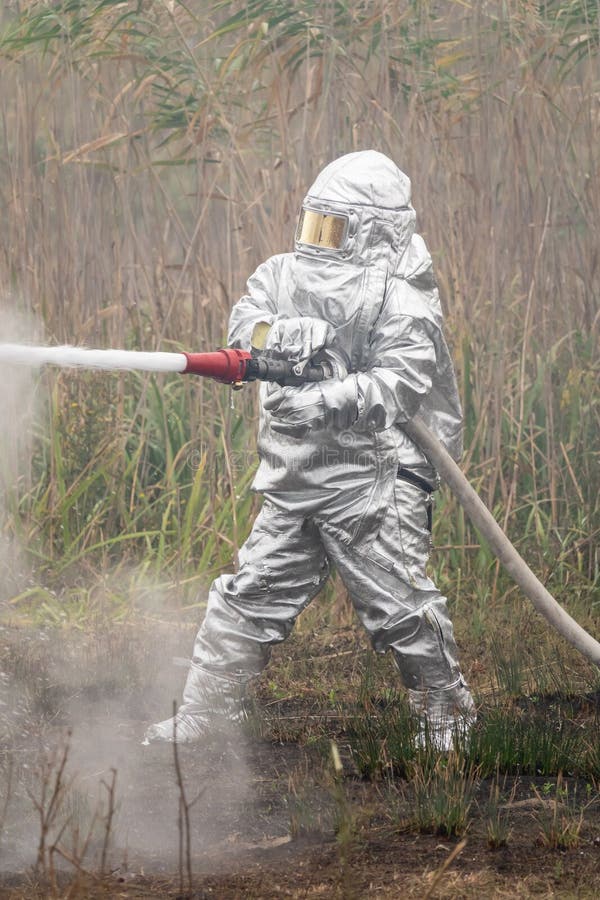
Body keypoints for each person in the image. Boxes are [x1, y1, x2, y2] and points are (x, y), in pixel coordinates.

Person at [144, 149, 475, 750]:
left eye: (334, 226)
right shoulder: (281, 275)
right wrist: (278, 336)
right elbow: (245, 326)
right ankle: (206, 713)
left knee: (400, 602)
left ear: (372, 230)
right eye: (313, 223)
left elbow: (399, 383)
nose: (318, 240)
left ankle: (445, 715)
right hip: (292, 479)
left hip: (371, 483)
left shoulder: (399, 300)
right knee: (248, 598)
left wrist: (324, 402)